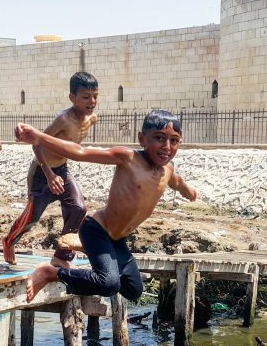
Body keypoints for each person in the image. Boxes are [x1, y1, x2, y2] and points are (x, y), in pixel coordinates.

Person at [14, 109, 197, 303]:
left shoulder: (168, 170)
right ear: (142, 139)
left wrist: (188, 190)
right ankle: (51, 272)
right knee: (108, 284)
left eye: (174, 140)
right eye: (159, 138)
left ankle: (88, 250)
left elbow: (177, 181)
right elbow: (80, 152)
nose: (167, 146)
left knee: (134, 290)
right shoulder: (128, 158)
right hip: (96, 230)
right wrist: (38, 137)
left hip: (117, 239)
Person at [3, 72, 98, 268]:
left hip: (62, 170)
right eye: (86, 96)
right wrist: (49, 174)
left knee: (78, 208)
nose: (92, 101)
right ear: (73, 98)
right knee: (33, 216)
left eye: (95, 95)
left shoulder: (92, 119)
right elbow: (37, 145)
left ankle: (61, 256)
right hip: (42, 171)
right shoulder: (63, 119)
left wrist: (60, 169)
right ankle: (9, 240)